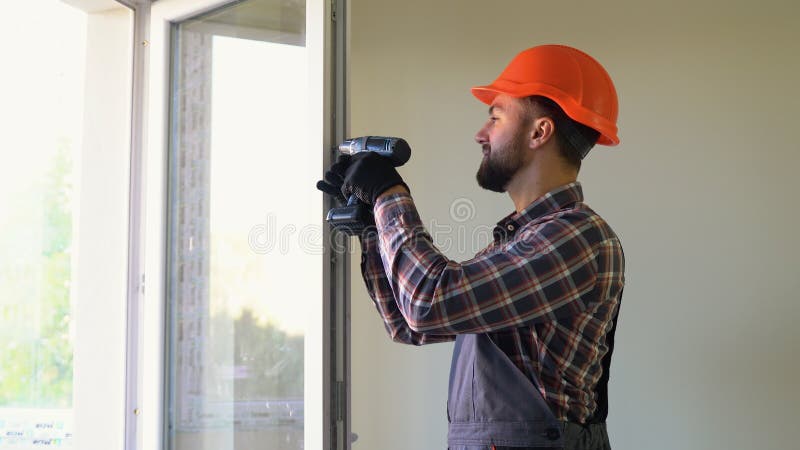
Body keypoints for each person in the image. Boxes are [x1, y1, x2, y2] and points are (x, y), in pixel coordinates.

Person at [317, 44, 625, 450]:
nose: (481, 134)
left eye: (495, 118)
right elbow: (409, 324)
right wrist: (373, 228)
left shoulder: (578, 239)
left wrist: (389, 193)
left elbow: (428, 304)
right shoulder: (521, 241)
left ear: (539, 132)